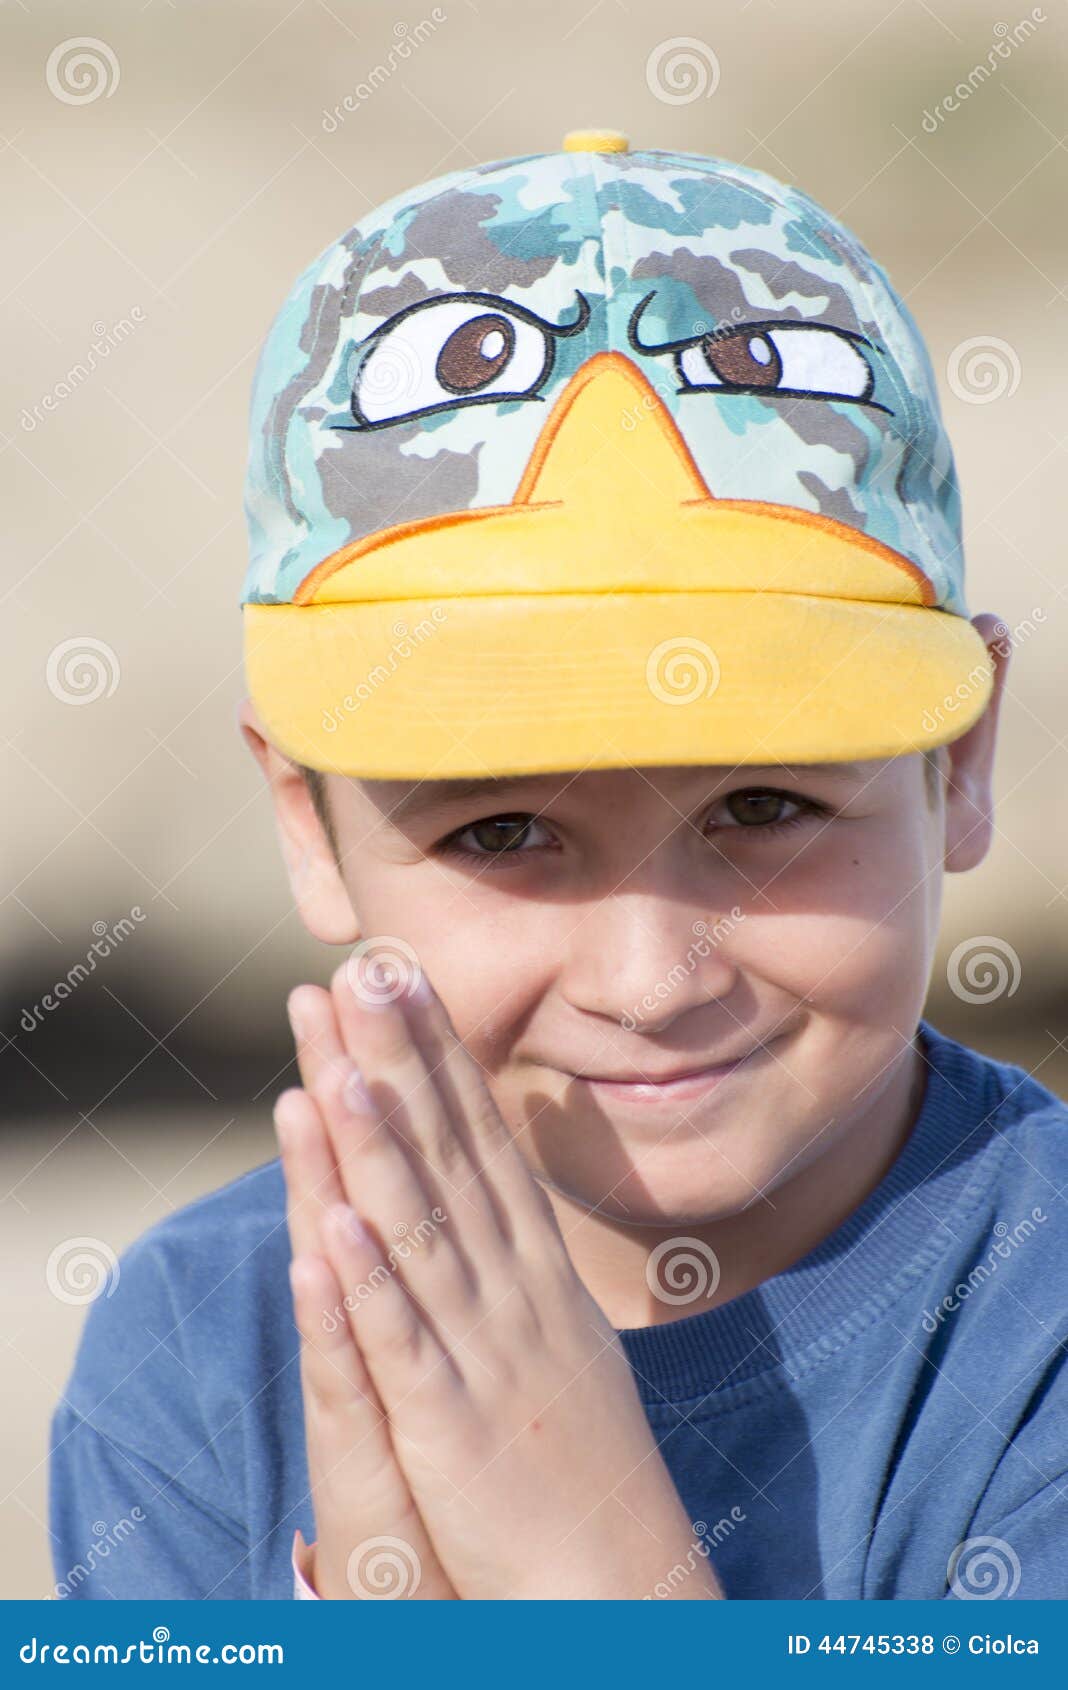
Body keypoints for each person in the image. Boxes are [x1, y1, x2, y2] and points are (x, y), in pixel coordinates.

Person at [50, 130, 1067, 1601]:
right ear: (302, 819)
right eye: (502, 831)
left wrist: (598, 1588)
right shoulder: (195, 1356)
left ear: (959, 763)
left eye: (766, 805)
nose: (652, 978)